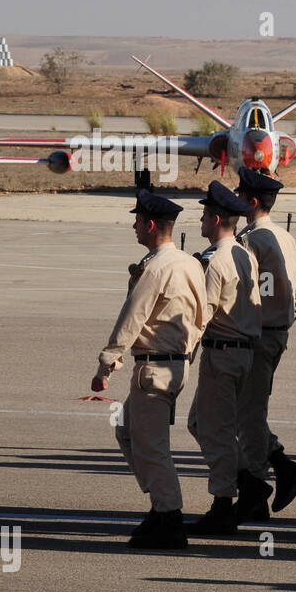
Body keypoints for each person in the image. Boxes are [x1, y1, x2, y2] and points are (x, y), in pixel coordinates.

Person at [92, 189, 206, 549]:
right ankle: (160, 505)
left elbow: (133, 317)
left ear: (151, 224)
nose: (134, 227)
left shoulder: (155, 268)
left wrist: (108, 362)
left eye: (137, 221)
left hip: (153, 367)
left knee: (152, 446)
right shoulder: (190, 263)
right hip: (174, 363)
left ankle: (169, 517)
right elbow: (203, 315)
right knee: (127, 431)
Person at [186, 181, 261, 535]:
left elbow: (203, 315)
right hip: (242, 351)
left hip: (223, 352)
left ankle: (222, 503)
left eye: (204, 215)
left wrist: (182, 360)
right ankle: (248, 479)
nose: (201, 220)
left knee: (215, 430)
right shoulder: (244, 253)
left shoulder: (215, 261)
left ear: (216, 219)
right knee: (202, 423)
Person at [234, 168, 296, 521]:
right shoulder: (283, 236)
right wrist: (284, 321)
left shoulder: (250, 241)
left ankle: (259, 486)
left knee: (247, 415)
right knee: (250, 412)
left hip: (256, 336)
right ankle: (272, 471)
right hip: (277, 333)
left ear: (251, 201)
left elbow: (242, 293)